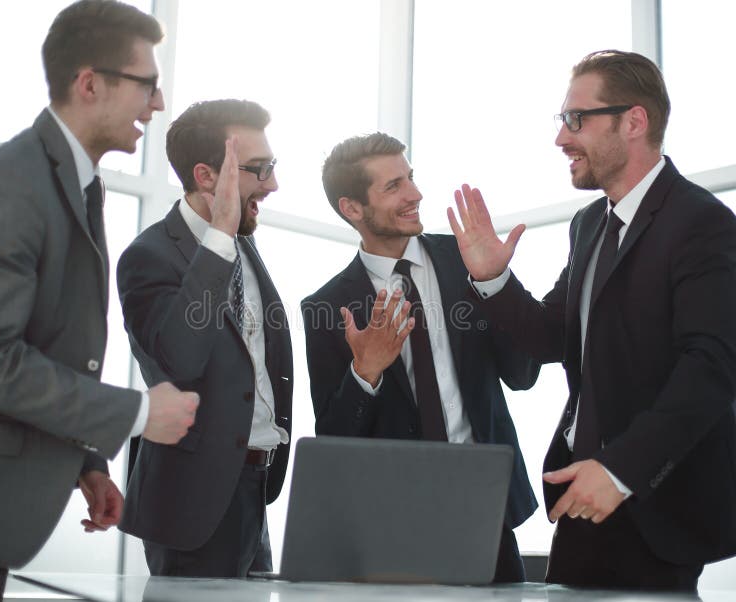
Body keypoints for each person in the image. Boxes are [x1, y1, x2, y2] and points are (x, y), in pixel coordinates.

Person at [0, 1, 201, 600]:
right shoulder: (11, 187)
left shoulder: (69, 182)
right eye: (147, 85)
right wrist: (136, 414)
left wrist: (84, 459)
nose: (158, 104)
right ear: (89, 84)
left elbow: (45, 344)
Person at [448, 50, 736, 590]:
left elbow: (711, 370)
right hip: (581, 493)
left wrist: (622, 470)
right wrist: (492, 279)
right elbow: (549, 336)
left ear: (634, 122)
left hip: (653, 503)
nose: (562, 137)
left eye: (576, 119)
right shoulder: (588, 225)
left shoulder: (704, 223)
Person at [301, 132, 541, 582]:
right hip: (391, 528)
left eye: (410, 178)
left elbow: (523, 374)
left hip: (487, 510)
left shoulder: (468, 259)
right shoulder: (327, 307)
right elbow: (334, 438)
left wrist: (495, 283)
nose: (415, 194)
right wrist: (365, 372)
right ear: (352, 208)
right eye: (394, 186)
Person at [117, 99, 293, 578]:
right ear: (206, 175)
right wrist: (219, 237)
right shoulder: (148, 256)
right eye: (260, 169)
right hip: (192, 500)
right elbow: (180, 359)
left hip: (255, 485)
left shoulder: (245, 245)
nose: (273, 184)